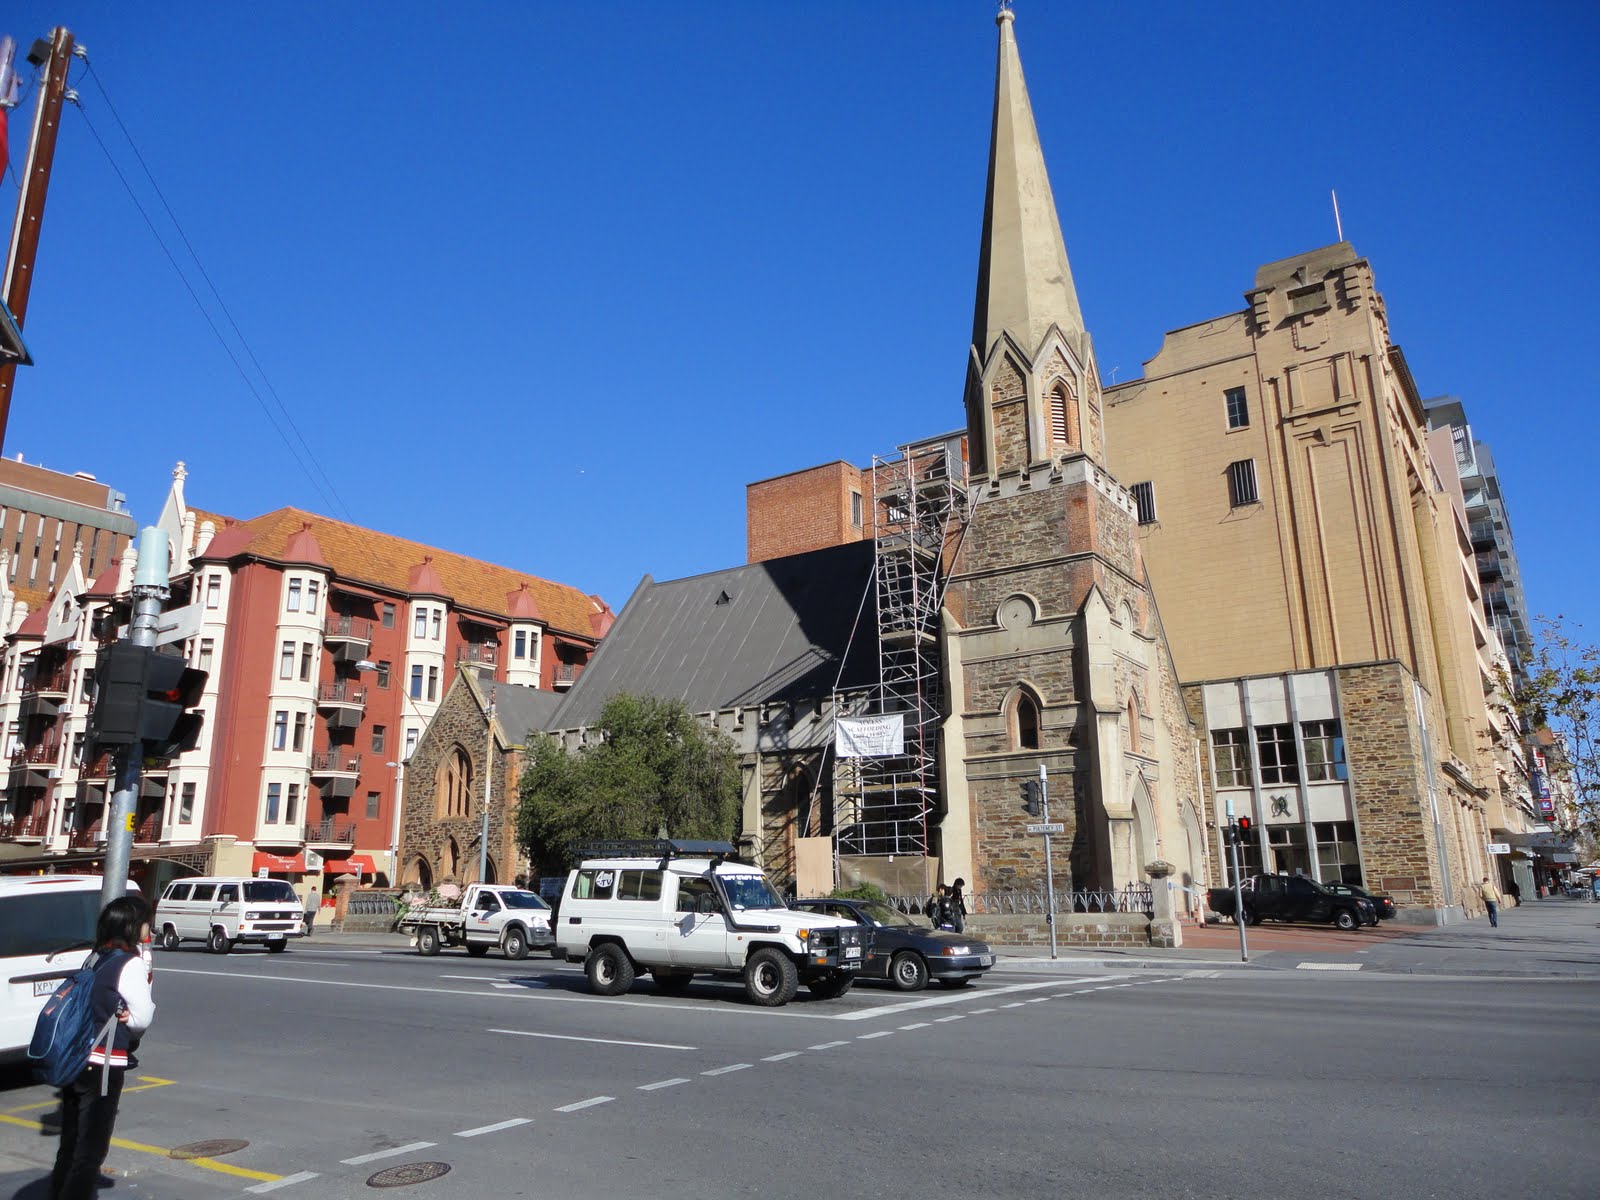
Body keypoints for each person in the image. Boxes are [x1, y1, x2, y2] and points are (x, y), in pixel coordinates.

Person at [51, 895, 156, 1200]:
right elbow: (141, 1019)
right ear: (132, 925)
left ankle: (57, 1193)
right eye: (145, 921)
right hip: (105, 1063)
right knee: (91, 1150)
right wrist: (128, 1015)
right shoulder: (130, 963)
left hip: (77, 1056)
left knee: (70, 1143)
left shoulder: (95, 957)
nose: (148, 927)